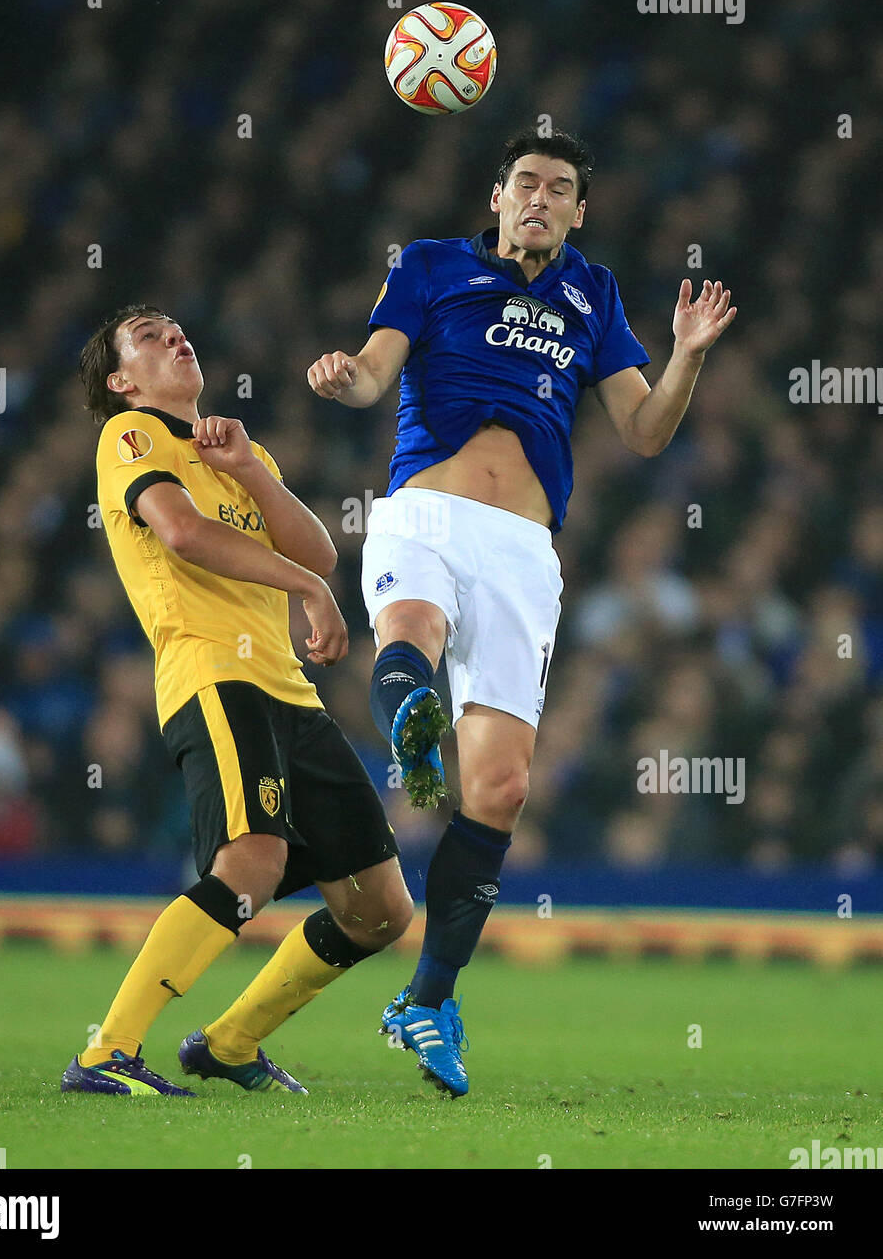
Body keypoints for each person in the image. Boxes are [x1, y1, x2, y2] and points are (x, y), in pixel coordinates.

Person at [307, 126, 737, 1096]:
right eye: (525, 182)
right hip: (427, 509)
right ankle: (413, 720)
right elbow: (377, 367)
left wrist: (687, 356)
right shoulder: (429, 266)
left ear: (580, 211)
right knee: (409, 633)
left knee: (497, 791)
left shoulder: (594, 293)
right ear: (495, 196)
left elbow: (645, 431)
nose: (540, 197)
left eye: (560, 187)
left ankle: (427, 997)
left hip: (524, 553)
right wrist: (347, 378)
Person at [63, 304, 412, 1097]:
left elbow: (319, 549)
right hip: (212, 672)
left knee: (379, 908)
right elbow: (183, 533)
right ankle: (104, 1052)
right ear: (122, 381)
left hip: (287, 690)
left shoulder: (234, 450)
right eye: (148, 337)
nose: (174, 337)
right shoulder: (131, 436)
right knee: (252, 858)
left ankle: (227, 1043)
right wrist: (305, 588)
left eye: (178, 328)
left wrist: (250, 470)